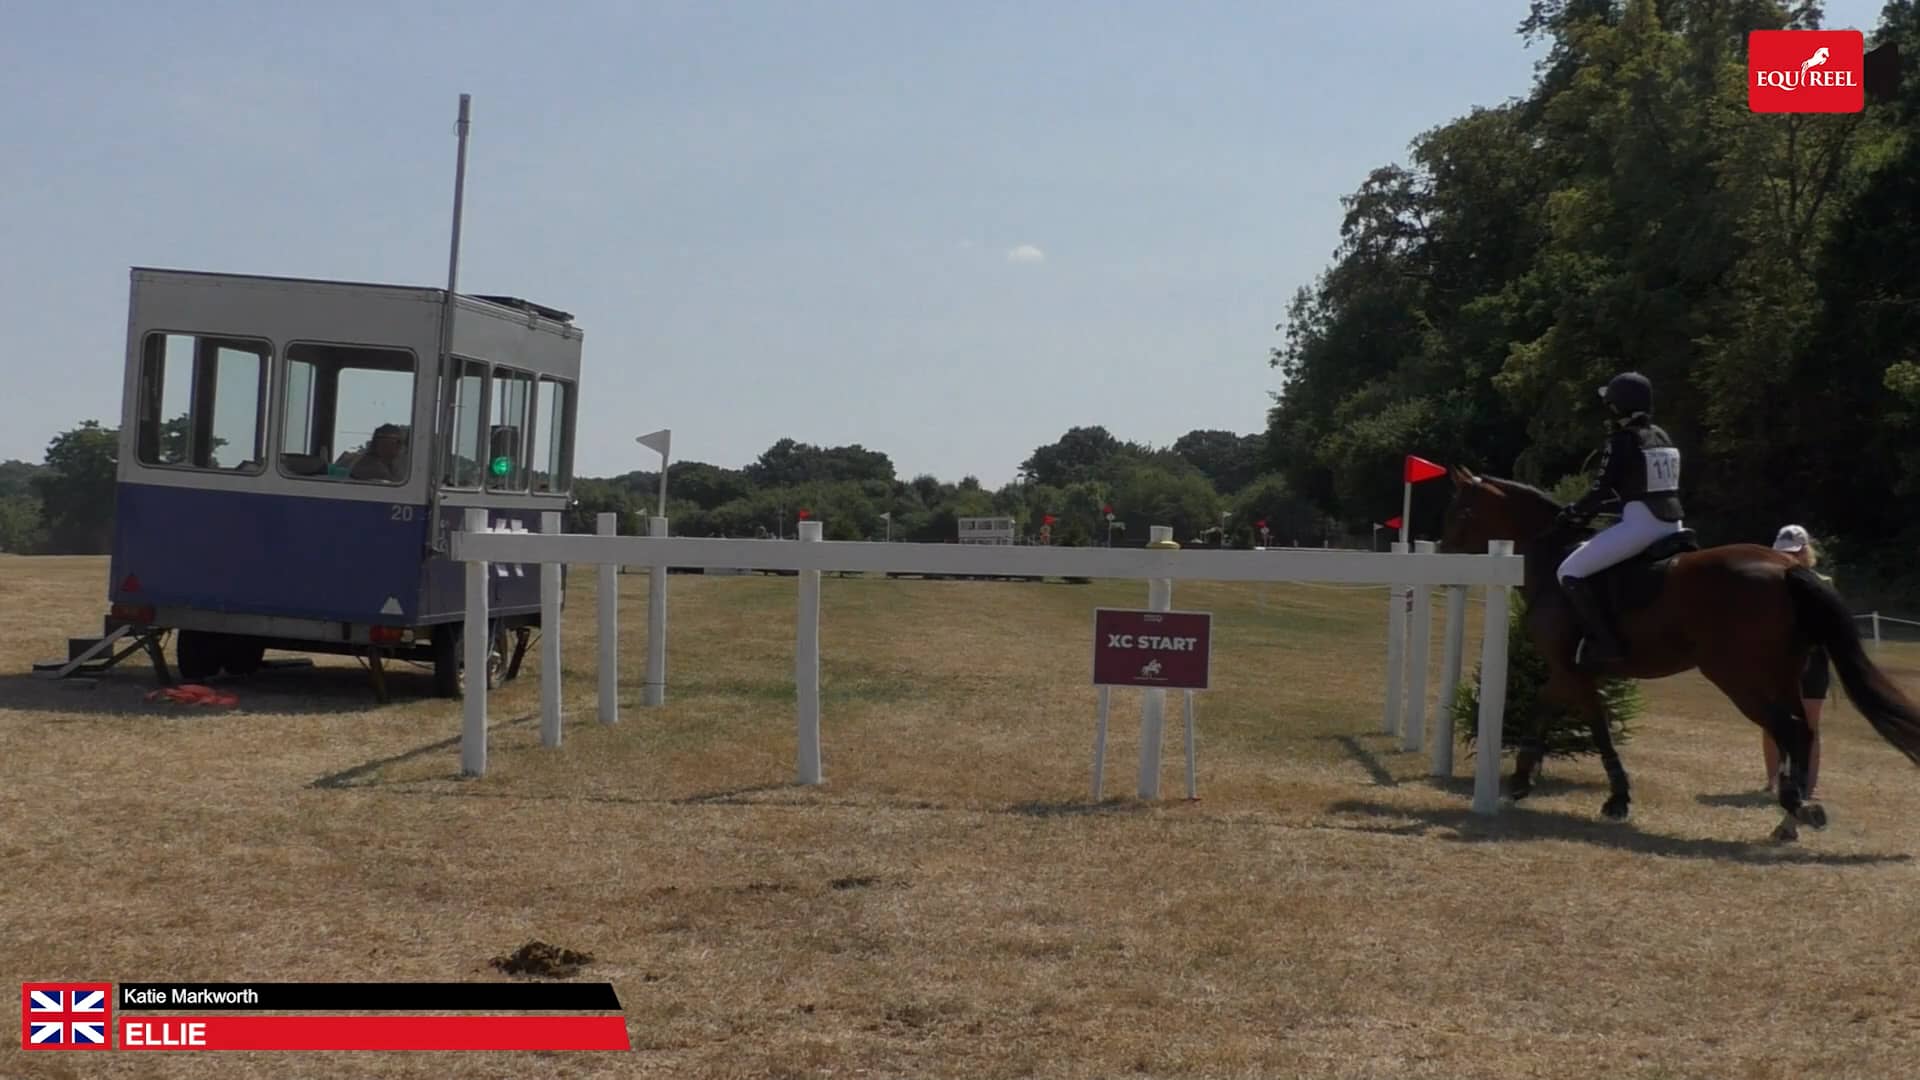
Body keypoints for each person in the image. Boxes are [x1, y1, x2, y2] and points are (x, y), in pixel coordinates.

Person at [1553, 371, 1687, 669]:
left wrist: (1575, 511)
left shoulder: (1623, 440)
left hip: (1642, 525)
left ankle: (1606, 644)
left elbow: (1602, 488)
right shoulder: (1662, 435)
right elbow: (1643, 485)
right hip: (1674, 524)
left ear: (1617, 407)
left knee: (1569, 570)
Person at [1762, 524, 1831, 798]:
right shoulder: (1767, 585)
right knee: (1771, 722)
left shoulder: (1823, 583)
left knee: (1810, 726)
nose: (1788, 558)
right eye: (1782, 553)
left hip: (1813, 661)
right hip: (1778, 663)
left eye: (1793, 553)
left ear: (1805, 552)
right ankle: (1772, 780)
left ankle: (1809, 785)